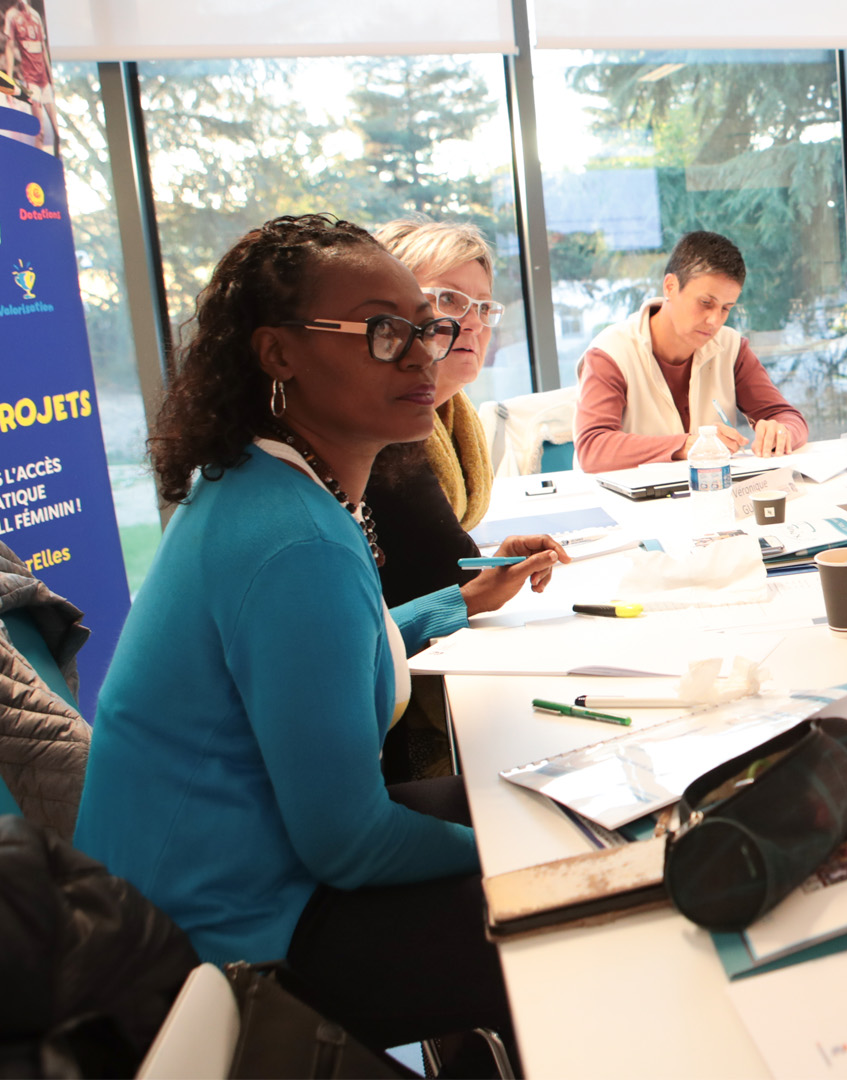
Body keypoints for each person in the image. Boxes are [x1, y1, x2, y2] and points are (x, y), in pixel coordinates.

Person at [74, 214, 568, 1070]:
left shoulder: (264, 482)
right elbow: (350, 844)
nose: (421, 354)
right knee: (566, 912)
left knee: (530, 798)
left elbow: (324, 659)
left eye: (425, 327)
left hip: (226, 878)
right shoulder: (293, 539)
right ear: (278, 353)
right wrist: (522, 856)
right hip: (222, 947)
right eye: (382, 331)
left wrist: (454, 604)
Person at [574, 230, 808, 470]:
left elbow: (789, 418)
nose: (714, 321)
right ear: (670, 286)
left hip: (711, 488)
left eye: (726, 308)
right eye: (705, 303)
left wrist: (781, 432)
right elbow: (592, 449)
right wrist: (687, 446)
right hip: (625, 493)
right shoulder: (611, 352)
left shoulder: (731, 347)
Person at [364, 218, 505, 610]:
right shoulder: (383, 431)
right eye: (450, 300)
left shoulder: (454, 415)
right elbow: (450, 575)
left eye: (483, 307)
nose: (474, 322)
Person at [2, 0, 55, 154]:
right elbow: (9, 47)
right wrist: (9, 83)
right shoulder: (12, 15)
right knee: (39, 130)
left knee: (53, 129)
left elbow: (43, 47)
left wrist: (51, 77)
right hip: (28, 80)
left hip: (42, 78)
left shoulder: (35, 15)